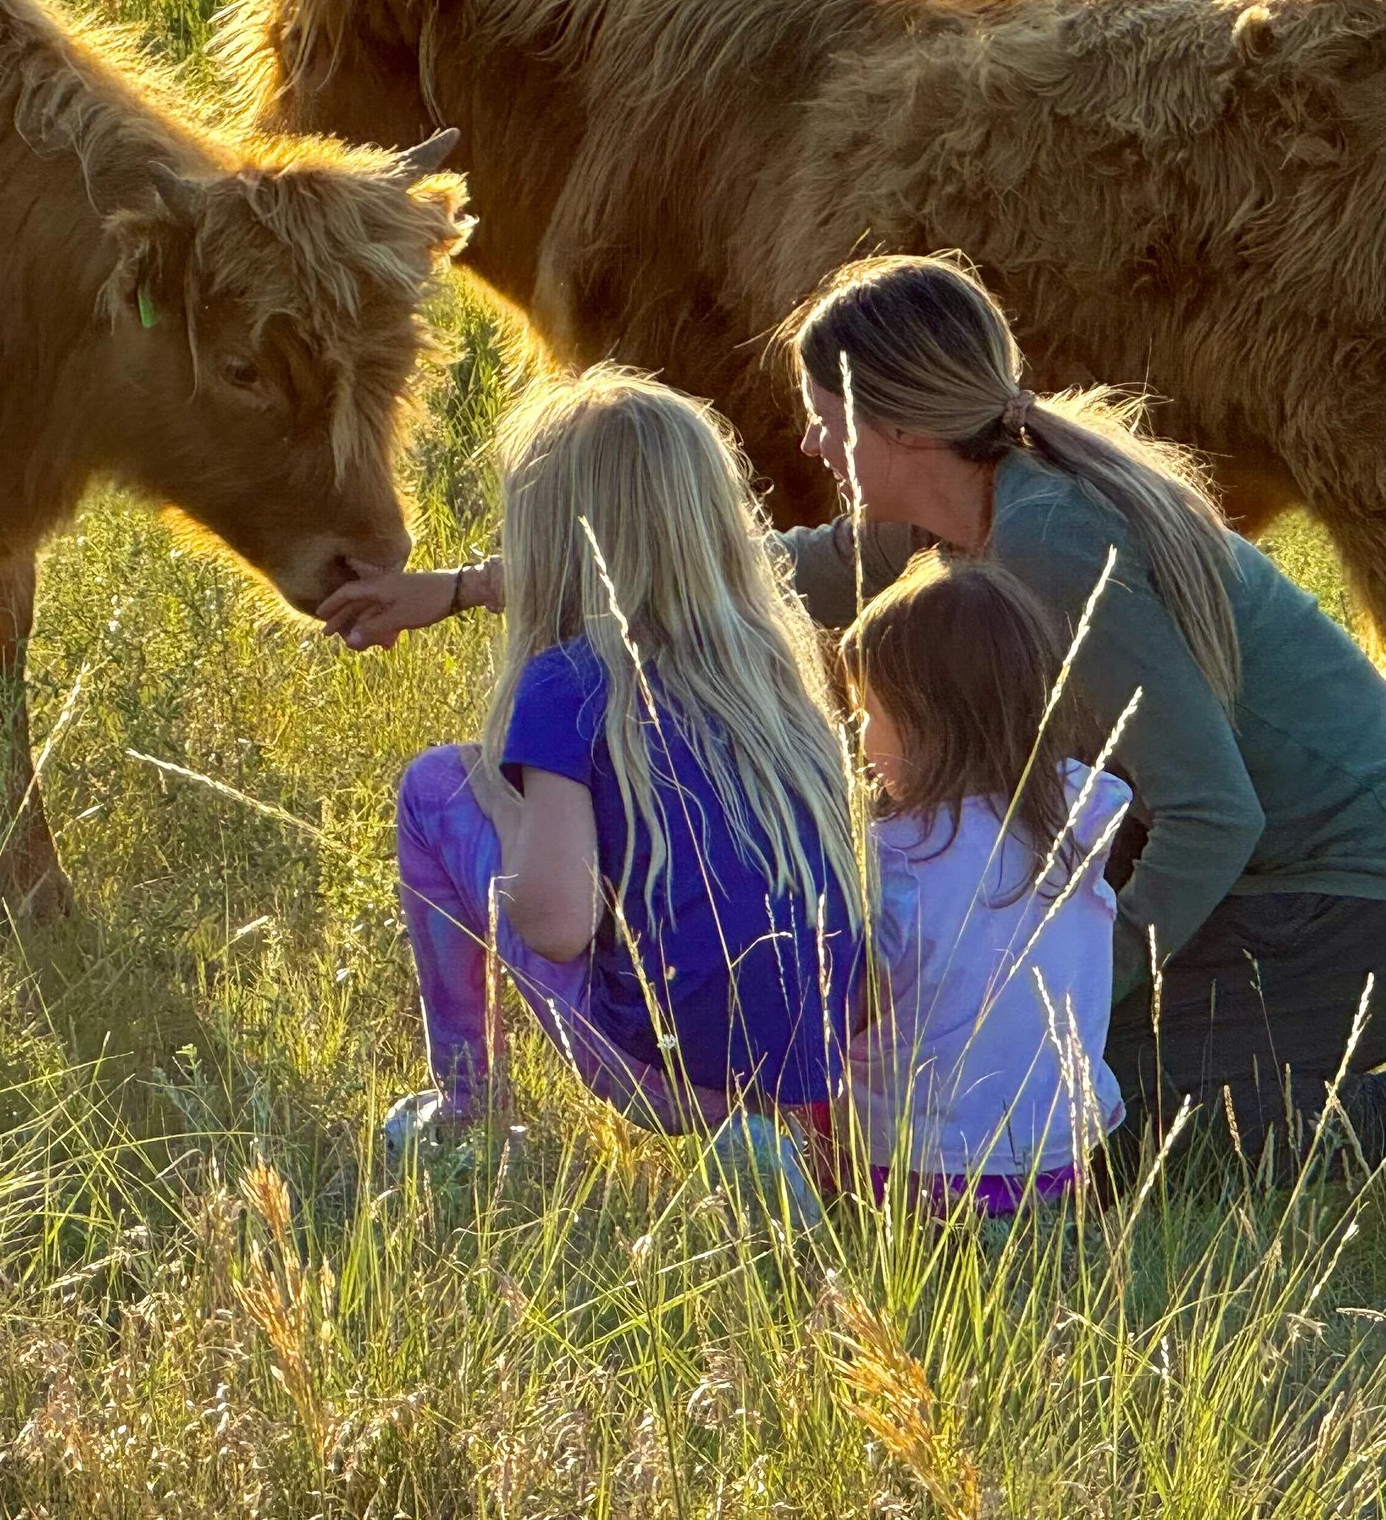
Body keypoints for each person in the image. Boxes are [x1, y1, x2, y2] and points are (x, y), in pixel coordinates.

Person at [327, 255, 1386, 1162]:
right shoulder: (945, 512)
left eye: (825, 419)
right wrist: (464, 588)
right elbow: (724, 570)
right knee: (960, 1071)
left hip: (1336, 882)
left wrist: (1071, 999)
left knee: (1054, 1107)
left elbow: (1215, 813)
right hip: (1247, 863)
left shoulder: (1053, 544)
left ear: (904, 426)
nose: (808, 443)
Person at [381, 367, 863, 1190]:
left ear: (546, 544)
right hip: (817, 1054)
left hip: (659, 1070)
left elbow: (555, 924)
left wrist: (506, 803)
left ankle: (466, 1110)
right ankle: (784, 1138)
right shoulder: (775, 674)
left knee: (434, 788)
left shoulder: (567, 685)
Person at [840, 553, 1132, 1214]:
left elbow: (850, 1009)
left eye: (868, 714)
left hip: (914, 1166)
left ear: (926, 722)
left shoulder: (894, 859)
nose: (859, 737)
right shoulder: (1082, 814)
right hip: (1059, 1156)